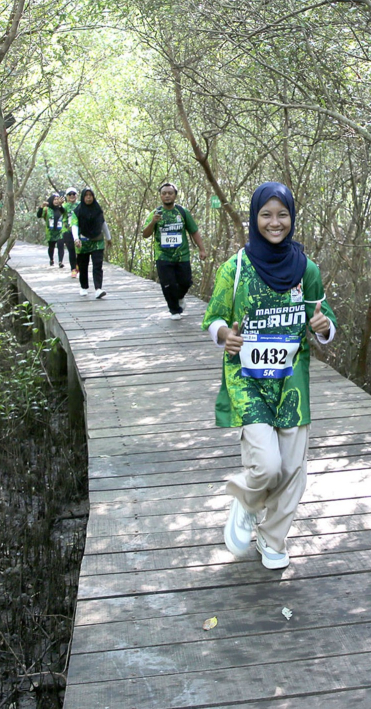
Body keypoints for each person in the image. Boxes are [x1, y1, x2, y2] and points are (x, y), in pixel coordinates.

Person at [202, 182, 336, 569]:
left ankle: (273, 539)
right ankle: (245, 500)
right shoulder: (237, 266)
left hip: (291, 381)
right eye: (266, 214)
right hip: (247, 378)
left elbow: (323, 320)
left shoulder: (306, 269)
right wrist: (225, 334)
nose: (274, 222)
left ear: (292, 218)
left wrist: (324, 326)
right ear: (254, 218)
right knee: (267, 465)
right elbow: (213, 317)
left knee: (292, 470)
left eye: (282, 214)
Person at [142, 182, 206, 319]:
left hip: (182, 255)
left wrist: (202, 249)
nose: (167, 196)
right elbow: (145, 234)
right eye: (164, 193)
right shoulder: (156, 213)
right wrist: (153, 222)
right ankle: (174, 310)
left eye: (170, 193)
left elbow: (194, 231)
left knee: (186, 281)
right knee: (168, 284)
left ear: (175, 195)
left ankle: (180, 297)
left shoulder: (182, 212)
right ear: (160, 196)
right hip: (163, 255)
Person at [71, 187, 111, 298]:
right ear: (83, 197)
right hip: (82, 242)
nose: (88, 197)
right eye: (86, 195)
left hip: (97, 241)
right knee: (83, 266)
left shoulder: (97, 209)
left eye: (90, 195)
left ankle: (98, 288)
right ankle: (84, 287)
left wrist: (108, 238)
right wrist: (76, 239)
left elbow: (103, 223)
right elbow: (74, 225)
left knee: (97, 265)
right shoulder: (77, 211)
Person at [37, 193, 67, 266]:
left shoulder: (60, 208)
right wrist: (41, 207)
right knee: (51, 247)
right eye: (54, 199)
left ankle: (60, 262)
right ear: (51, 200)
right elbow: (39, 215)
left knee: (61, 246)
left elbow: (64, 211)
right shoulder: (47, 209)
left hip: (60, 231)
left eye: (57, 199)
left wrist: (60, 205)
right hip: (50, 232)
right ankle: (51, 259)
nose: (56, 201)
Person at [62, 188, 80, 276]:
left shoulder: (80, 205)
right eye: (70, 194)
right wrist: (59, 206)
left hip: (79, 231)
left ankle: (78, 264)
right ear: (67, 196)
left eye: (74, 194)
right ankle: (73, 269)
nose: (72, 196)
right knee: (71, 250)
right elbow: (60, 210)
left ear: (76, 195)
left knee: (80, 250)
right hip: (67, 231)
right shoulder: (65, 206)